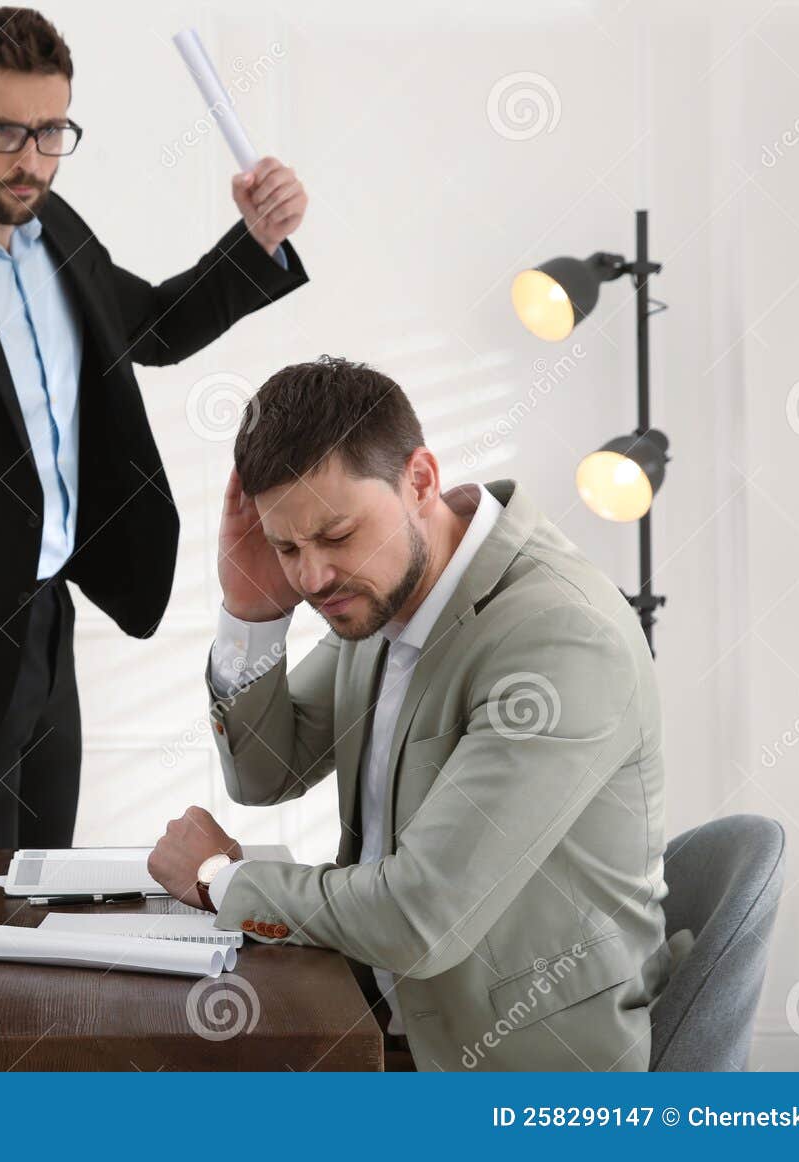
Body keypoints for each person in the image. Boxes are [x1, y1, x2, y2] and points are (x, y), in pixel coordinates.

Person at [0, 7, 309, 849]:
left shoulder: (55, 234)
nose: (30, 159)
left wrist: (256, 239)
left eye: (50, 132)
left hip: (46, 624)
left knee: (38, 905)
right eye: (2, 131)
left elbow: (151, 326)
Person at [146, 356, 672, 1071]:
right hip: (370, 1023)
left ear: (419, 481)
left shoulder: (556, 638)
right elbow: (267, 775)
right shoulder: (389, 593)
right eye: (286, 547)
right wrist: (251, 614)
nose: (310, 578)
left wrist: (218, 880)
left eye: (334, 537)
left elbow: (420, 918)